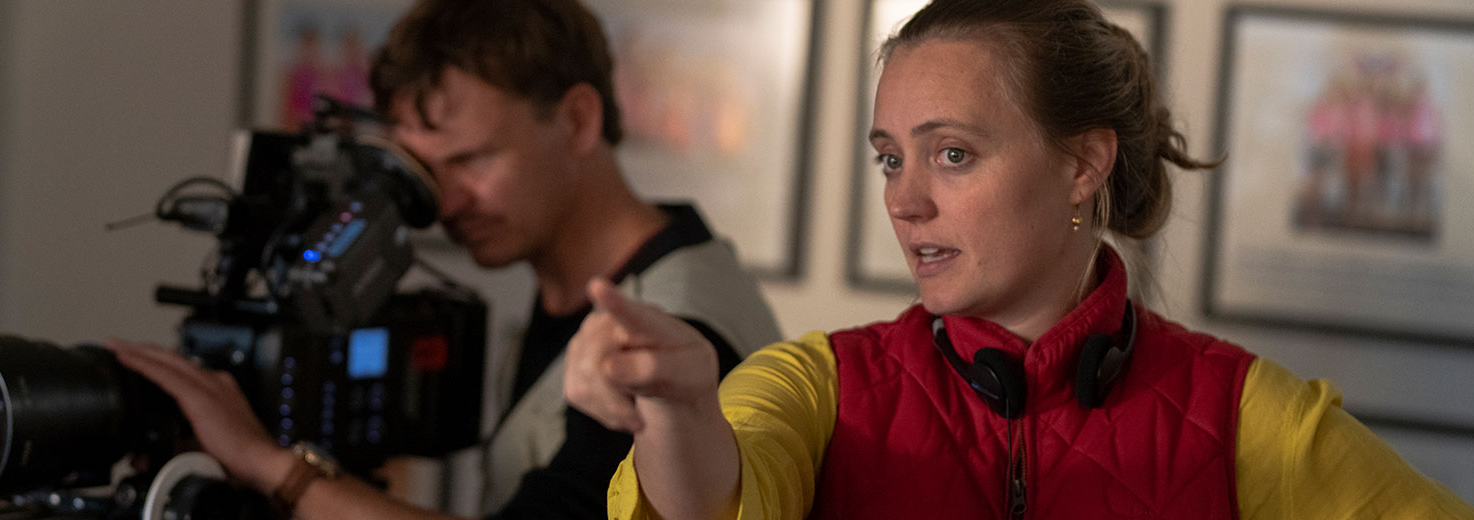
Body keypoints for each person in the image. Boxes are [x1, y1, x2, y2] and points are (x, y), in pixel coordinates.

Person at [562, 1, 1474, 518]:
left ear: (1082, 164)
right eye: (891, 158)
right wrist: (679, 411)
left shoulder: (1249, 417)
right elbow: (719, 499)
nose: (905, 200)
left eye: (952, 153)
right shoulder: (817, 385)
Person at [110, 0, 782, 519]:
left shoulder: (669, 331)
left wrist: (268, 465)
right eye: (430, 170)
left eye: (474, 159)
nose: (448, 202)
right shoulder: (585, 287)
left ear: (578, 120)